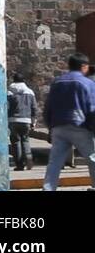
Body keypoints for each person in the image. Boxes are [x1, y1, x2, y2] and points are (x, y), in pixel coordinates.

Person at [42, 53, 95, 191]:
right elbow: (91, 109)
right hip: (80, 126)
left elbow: (48, 107)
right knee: (92, 158)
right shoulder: (87, 83)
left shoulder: (57, 82)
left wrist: (50, 128)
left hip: (58, 127)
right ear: (84, 67)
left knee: (55, 162)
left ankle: (48, 188)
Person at [8, 73, 38, 171]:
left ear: (13, 80)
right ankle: (28, 158)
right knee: (25, 140)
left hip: (12, 120)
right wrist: (33, 121)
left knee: (15, 142)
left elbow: (6, 106)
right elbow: (34, 108)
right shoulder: (30, 92)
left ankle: (19, 165)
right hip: (26, 120)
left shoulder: (9, 92)